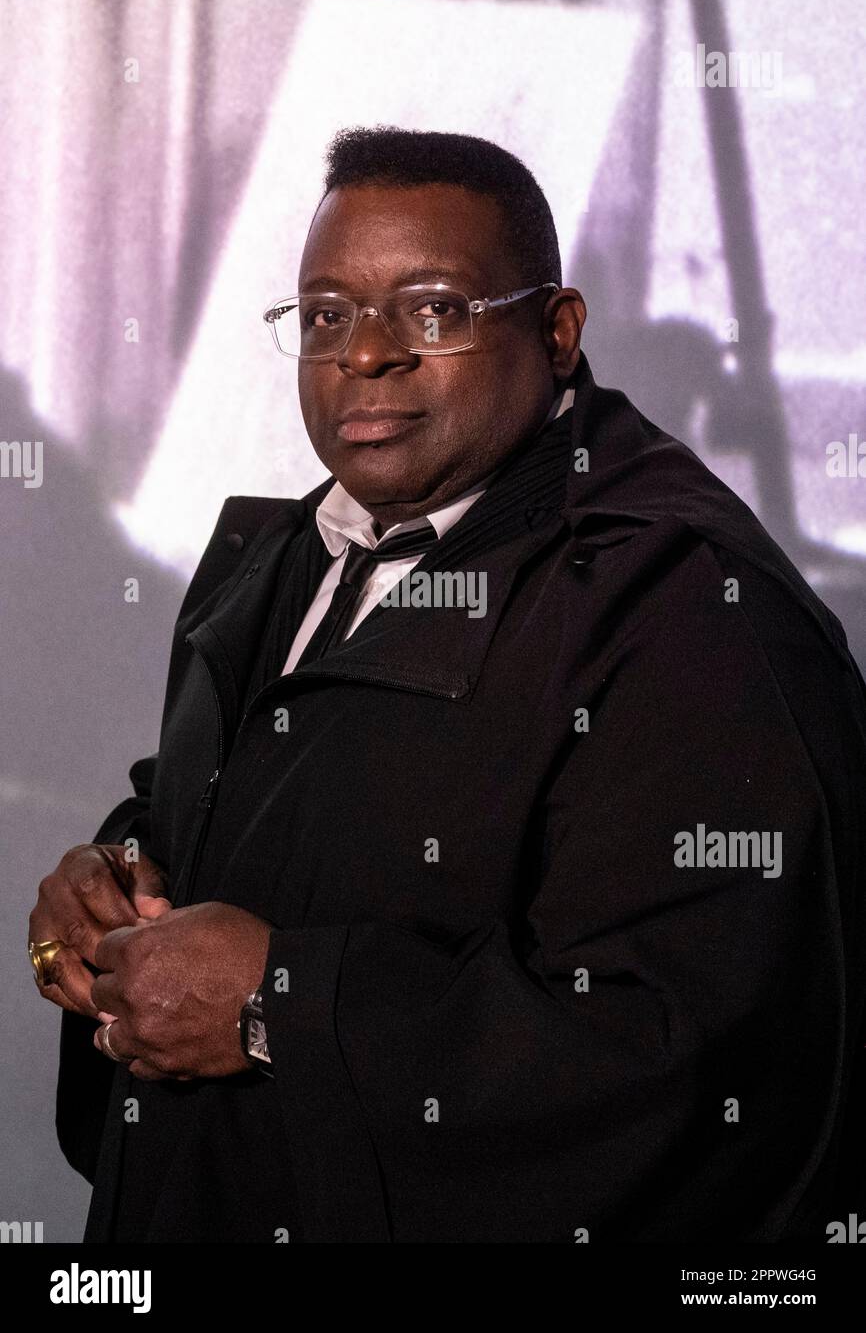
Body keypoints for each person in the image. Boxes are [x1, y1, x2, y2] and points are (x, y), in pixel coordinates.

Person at [31, 126, 866, 1243]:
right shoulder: (282, 557)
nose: (366, 355)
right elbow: (240, 818)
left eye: (432, 311)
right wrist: (111, 884)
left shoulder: (686, 607)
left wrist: (278, 1006)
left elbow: (699, 1058)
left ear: (557, 330)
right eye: (326, 315)